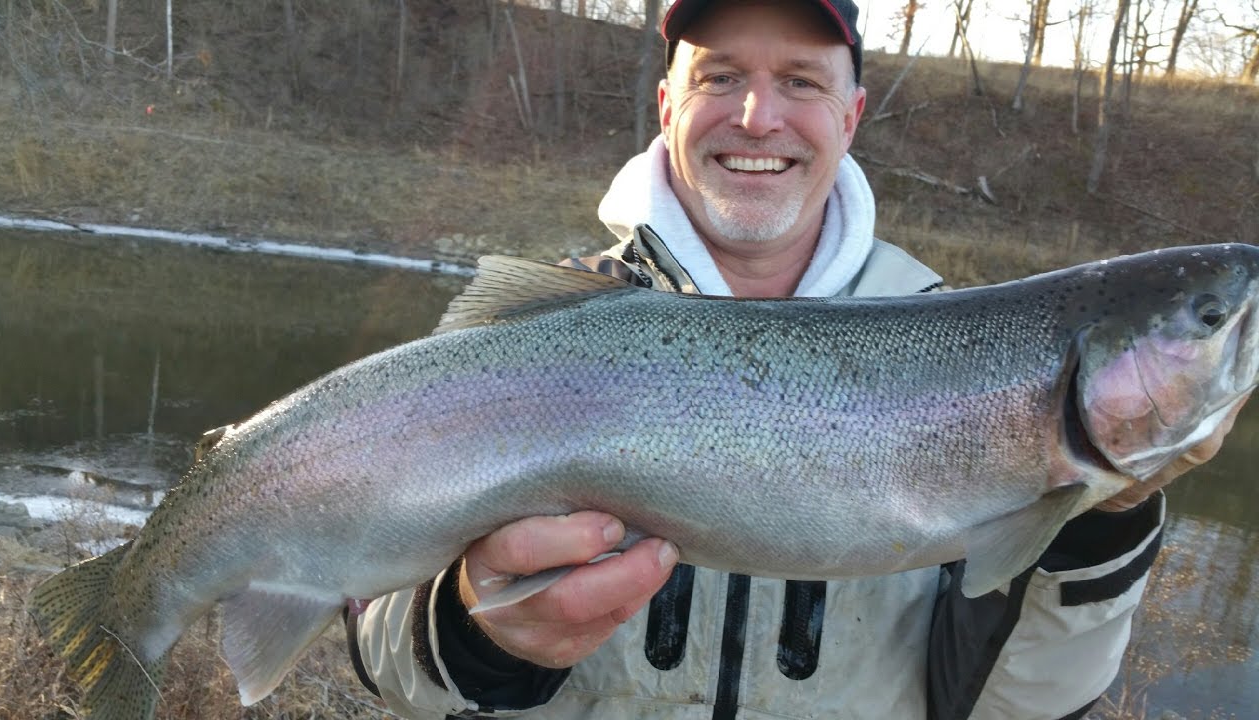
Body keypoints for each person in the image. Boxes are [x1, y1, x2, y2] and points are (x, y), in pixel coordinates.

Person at [345, 1, 1250, 718]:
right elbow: (379, 653)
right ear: (667, 105)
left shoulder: (964, 349)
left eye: (801, 81)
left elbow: (1024, 707)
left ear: (851, 117)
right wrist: (477, 632)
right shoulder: (533, 337)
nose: (757, 116)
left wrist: (1100, 518)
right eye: (721, 75)